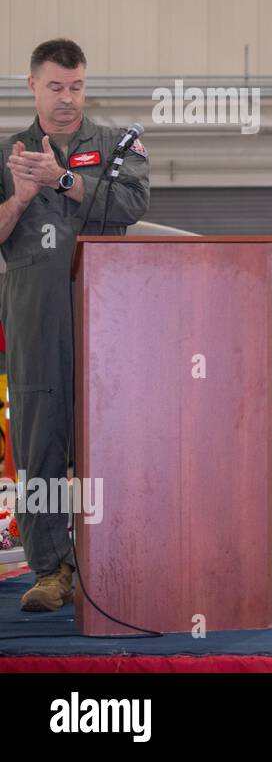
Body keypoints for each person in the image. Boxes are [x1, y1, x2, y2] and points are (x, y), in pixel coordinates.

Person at [2, 38, 150, 612]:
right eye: (56, 86)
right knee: (40, 441)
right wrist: (20, 196)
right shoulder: (6, 152)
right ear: (32, 85)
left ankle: (112, 556)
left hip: (104, 308)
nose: (67, 98)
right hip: (35, 310)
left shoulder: (116, 144)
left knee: (110, 441)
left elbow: (134, 203)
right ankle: (50, 570)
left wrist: (64, 179)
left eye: (77, 86)